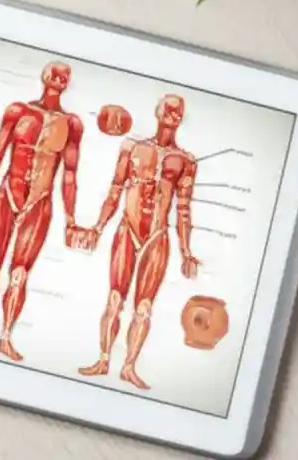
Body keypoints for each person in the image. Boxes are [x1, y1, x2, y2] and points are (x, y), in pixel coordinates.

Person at [0, 62, 82, 361]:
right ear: (44, 76)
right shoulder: (18, 111)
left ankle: (6, 337)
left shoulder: (71, 124)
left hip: (40, 203)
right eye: (55, 73)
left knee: (19, 275)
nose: (60, 78)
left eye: (65, 76)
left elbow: (70, 174)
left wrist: (71, 220)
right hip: (8, 193)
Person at [69, 94, 200, 390]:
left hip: (157, 236)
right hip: (127, 228)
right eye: (168, 107)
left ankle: (128, 366)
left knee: (143, 307)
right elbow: (115, 189)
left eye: (179, 110)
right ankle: (103, 359)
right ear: (157, 110)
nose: (173, 112)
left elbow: (183, 208)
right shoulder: (132, 147)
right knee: (115, 299)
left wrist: (186, 251)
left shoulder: (186, 161)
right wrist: (99, 227)